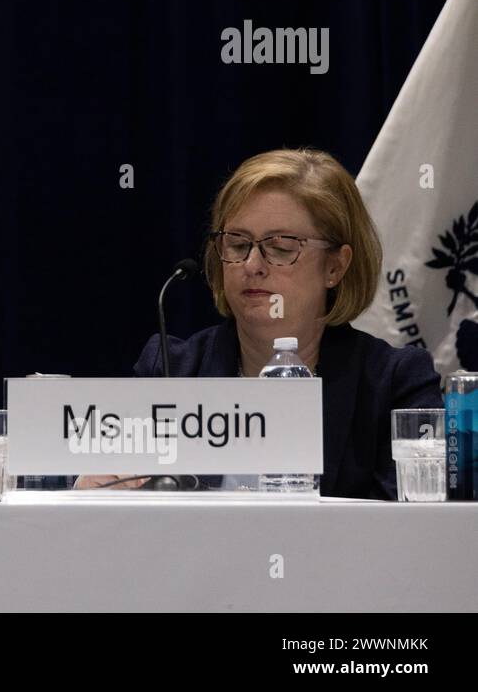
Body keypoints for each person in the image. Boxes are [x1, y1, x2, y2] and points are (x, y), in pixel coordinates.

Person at [81, 148, 441, 498]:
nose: (252, 264)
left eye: (281, 247)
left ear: (335, 266)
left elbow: (413, 530)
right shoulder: (171, 371)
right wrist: (90, 482)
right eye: (237, 244)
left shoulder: (395, 384)